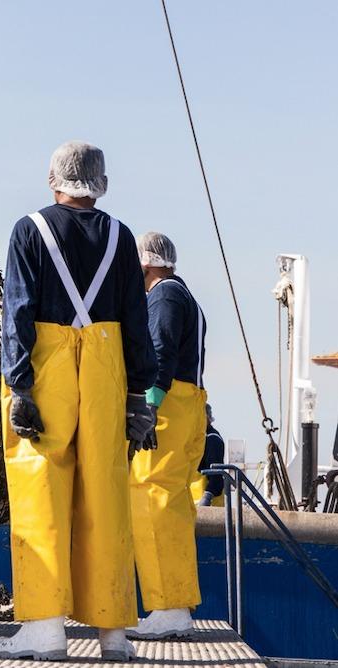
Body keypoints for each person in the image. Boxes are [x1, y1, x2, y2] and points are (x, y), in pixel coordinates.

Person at [0, 141, 158, 661]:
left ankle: (44, 629)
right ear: (101, 183)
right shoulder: (120, 236)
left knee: (41, 491)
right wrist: (138, 396)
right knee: (106, 495)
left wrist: (20, 386)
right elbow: (137, 322)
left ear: (52, 179)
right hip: (108, 369)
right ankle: (113, 635)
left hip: (47, 367)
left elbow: (18, 311)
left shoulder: (29, 230)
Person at [129, 231, 207, 639]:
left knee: (152, 498)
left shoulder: (164, 296)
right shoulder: (183, 295)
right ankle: (173, 603)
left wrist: (149, 404)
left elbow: (160, 349)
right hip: (186, 405)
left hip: (167, 409)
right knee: (171, 504)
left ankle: (169, 608)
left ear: (147, 264)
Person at [191, 404, 225, 506]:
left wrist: (207, 496)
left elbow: (217, 475)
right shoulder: (194, 439)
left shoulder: (212, 439)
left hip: (209, 505)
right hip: (191, 501)